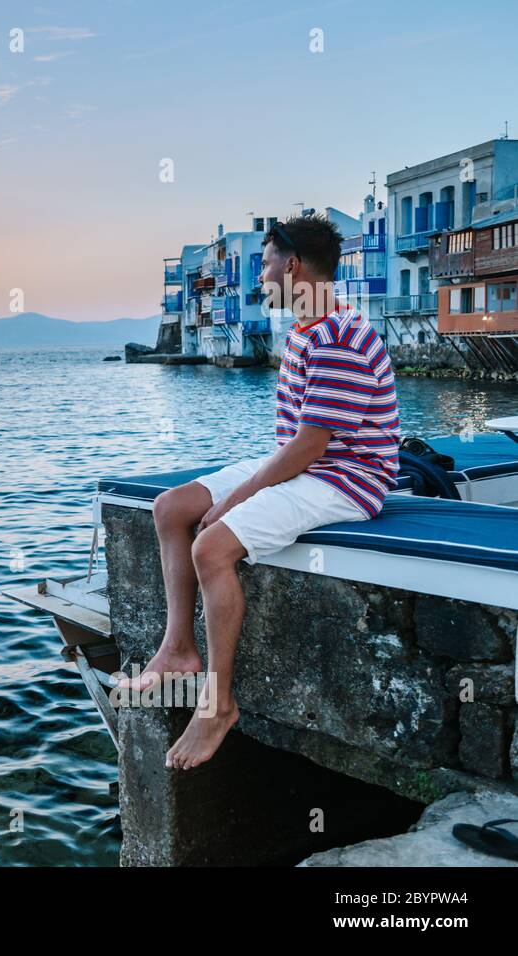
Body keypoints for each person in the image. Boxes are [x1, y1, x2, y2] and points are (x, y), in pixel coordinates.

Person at [116, 214, 400, 769]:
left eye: (266, 263)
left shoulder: (340, 334)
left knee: (211, 547)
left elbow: (311, 447)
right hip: (309, 465)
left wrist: (238, 497)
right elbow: (298, 444)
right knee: (171, 508)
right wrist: (244, 489)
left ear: (292, 265)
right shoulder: (305, 329)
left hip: (348, 478)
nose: (262, 275)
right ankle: (177, 650)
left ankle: (218, 705)